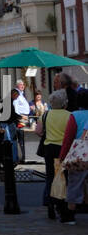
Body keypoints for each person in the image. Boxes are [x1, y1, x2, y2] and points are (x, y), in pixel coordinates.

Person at [58, 87, 88, 226]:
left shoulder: (75, 115)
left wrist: (63, 156)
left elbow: (68, 138)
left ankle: (70, 215)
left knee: (75, 184)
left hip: (80, 154)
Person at [42, 89, 70, 222]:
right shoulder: (69, 115)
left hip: (49, 148)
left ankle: (50, 204)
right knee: (63, 177)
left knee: (50, 177)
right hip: (63, 148)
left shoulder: (46, 114)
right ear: (64, 103)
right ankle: (61, 204)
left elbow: (39, 131)